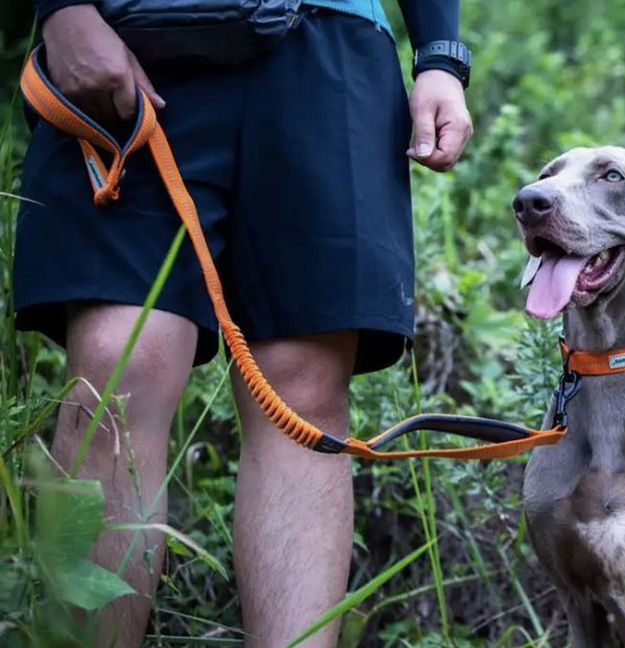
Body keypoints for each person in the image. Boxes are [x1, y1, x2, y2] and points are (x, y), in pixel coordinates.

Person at [14, 0, 472, 646]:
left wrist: (440, 54)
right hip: (132, 37)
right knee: (118, 368)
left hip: (329, 41)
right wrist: (63, 10)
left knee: (303, 389)